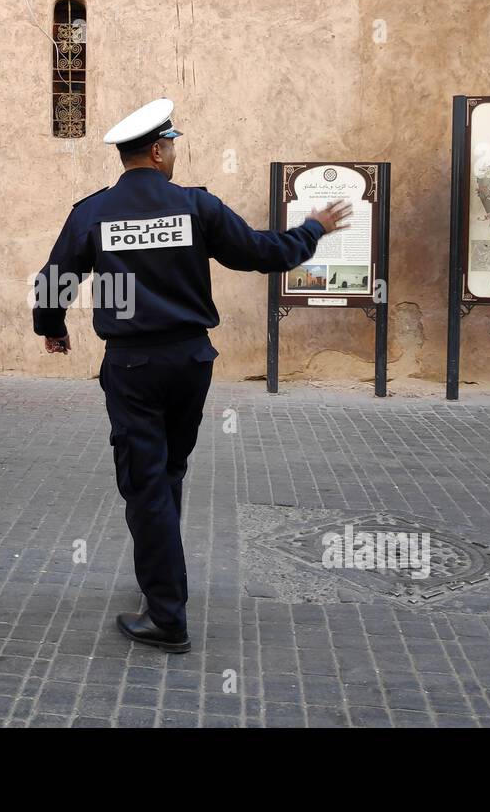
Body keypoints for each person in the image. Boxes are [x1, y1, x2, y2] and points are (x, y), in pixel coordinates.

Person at [32, 98, 352, 653]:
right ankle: (164, 583)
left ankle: (167, 616)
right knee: (168, 473)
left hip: (132, 366)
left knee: (146, 482)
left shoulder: (93, 212)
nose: (175, 154)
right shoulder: (195, 207)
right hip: (189, 362)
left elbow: (52, 280)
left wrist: (52, 328)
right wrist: (311, 229)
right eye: (173, 145)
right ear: (158, 151)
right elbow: (261, 253)